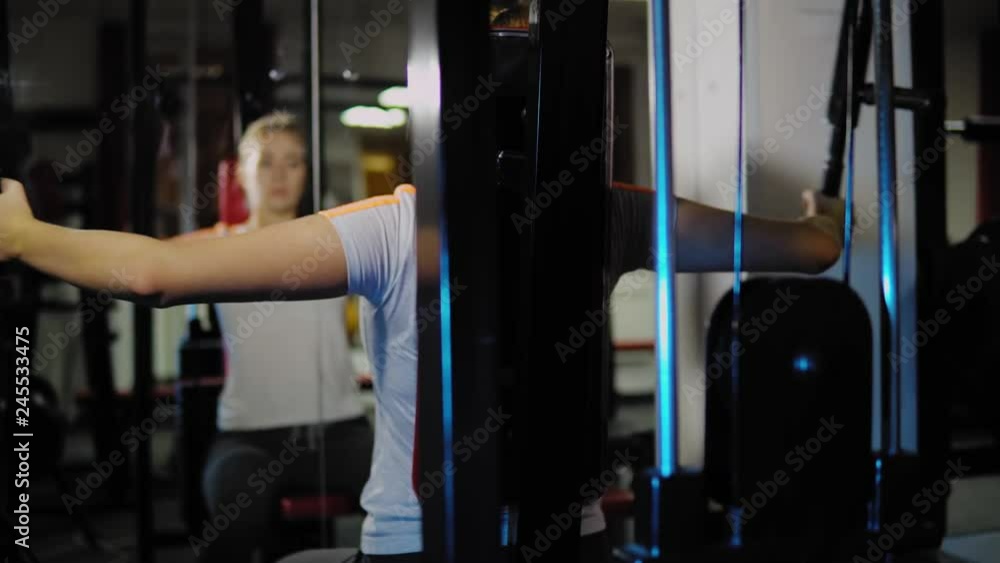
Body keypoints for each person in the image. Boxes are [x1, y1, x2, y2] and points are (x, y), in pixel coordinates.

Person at [183, 112, 373, 562]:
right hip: (250, 439)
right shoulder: (216, 248)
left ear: (306, 172)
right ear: (240, 172)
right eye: (266, 161)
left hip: (339, 434)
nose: (281, 175)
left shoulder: (335, 240)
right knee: (230, 526)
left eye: (293, 162)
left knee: (421, 500)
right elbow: (142, 267)